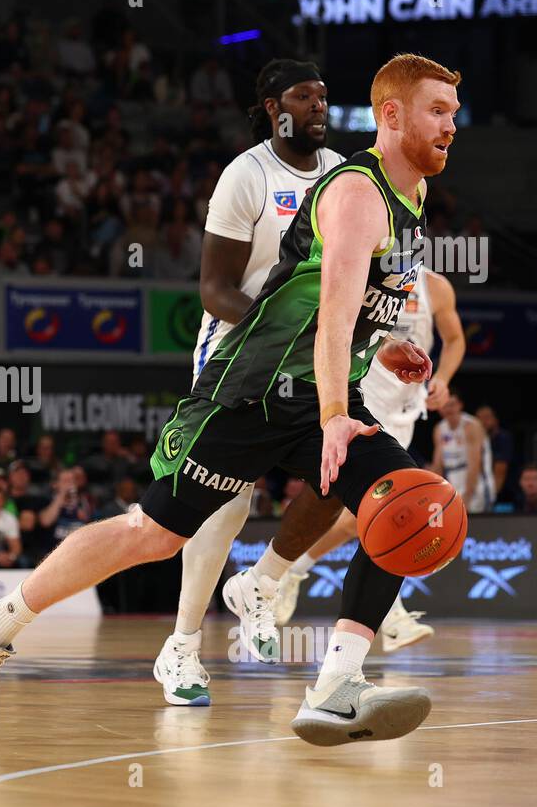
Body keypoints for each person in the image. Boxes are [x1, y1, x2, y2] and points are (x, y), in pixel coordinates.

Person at [0, 53, 460, 747]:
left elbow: (351, 310)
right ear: (391, 116)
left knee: (406, 497)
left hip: (313, 390)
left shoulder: (414, 193)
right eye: (438, 111)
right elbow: (331, 315)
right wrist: (341, 417)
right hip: (250, 389)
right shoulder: (358, 193)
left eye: (454, 113)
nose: (452, 125)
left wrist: (385, 342)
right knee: (154, 534)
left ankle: (337, 683)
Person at [150, 59, 347, 706]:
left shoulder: (345, 176)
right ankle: (181, 648)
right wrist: (280, 332)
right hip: (238, 348)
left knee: (344, 471)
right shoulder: (247, 176)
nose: (316, 106)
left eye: (322, 96)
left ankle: (261, 583)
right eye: (302, 96)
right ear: (272, 106)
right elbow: (213, 289)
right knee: (225, 501)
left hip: (313, 353)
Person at [273, 267, 466, 652]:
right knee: (374, 512)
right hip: (361, 398)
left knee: (373, 517)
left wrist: (442, 378)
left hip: (405, 409)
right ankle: (390, 618)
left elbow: (456, 338)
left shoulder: (436, 287)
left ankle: (292, 569)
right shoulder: (363, 269)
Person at [431, 389, 495, 513]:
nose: (449, 409)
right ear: (439, 408)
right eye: (445, 405)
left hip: (477, 482)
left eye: (452, 405)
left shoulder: (471, 425)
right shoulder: (439, 429)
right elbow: (438, 466)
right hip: (452, 481)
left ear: (460, 405)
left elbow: (475, 465)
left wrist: (467, 496)